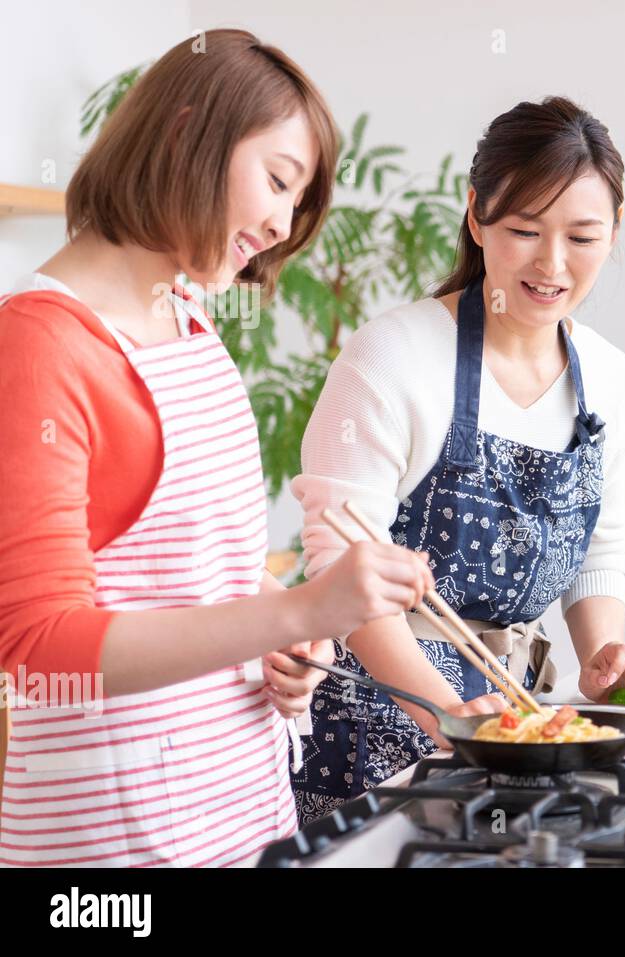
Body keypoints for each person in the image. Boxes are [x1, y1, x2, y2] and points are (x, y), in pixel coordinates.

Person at [0, 30, 433, 867]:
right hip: (114, 846)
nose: (279, 225)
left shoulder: (190, 324)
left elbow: (193, 572)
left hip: (239, 809)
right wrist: (300, 608)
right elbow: (37, 649)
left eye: (295, 200)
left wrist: (287, 638)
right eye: (277, 181)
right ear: (184, 133)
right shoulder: (38, 344)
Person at [290, 96, 625, 822]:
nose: (552, 264)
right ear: (476, 215)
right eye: (525, 229)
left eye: (583, 236)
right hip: (377, 720)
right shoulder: (391, 358)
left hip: (513, 724)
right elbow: (339, 569)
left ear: (615, 232)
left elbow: (600, 554)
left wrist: (603, 656)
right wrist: (456, 720)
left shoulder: (615, 383)